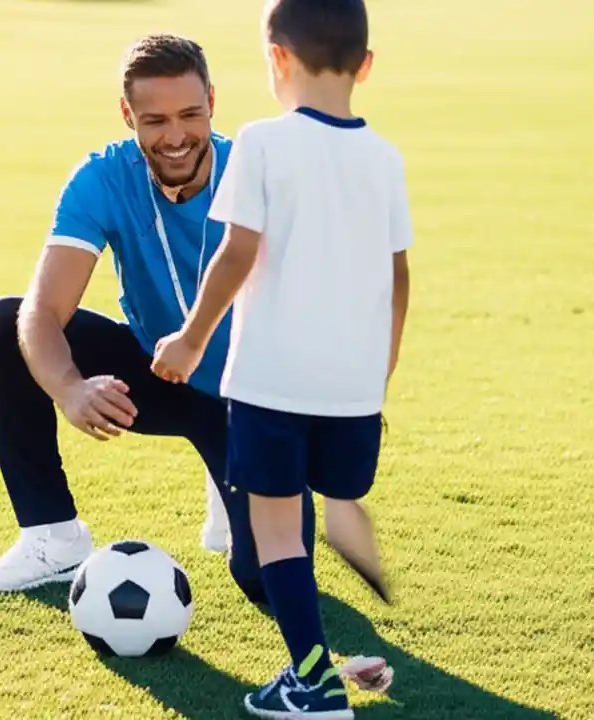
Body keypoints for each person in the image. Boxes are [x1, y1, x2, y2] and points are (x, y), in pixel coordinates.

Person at [0, 33, 320, 605]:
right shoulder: (104, 177)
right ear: (127, 114)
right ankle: (52, 537)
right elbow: (42, 311)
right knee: (0, 328)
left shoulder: (263, 177)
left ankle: (230, 474)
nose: (175, 136)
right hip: (157, 371)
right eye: (154, 120)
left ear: (212, 101)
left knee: (262, 579)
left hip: (250, 397)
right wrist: (69, 388)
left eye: (189, 115)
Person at [150, 0, 410, 716]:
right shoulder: (385, 158)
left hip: (271, 381)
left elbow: (237, 253)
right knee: (338, 493)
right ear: (366, 65)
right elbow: (398, 276)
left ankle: (313, 682)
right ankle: (351, 546)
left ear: (276, 61)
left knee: (272, 528)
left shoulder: (263, 143)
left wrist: (191, 339)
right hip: (352, 389)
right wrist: (378, 371)